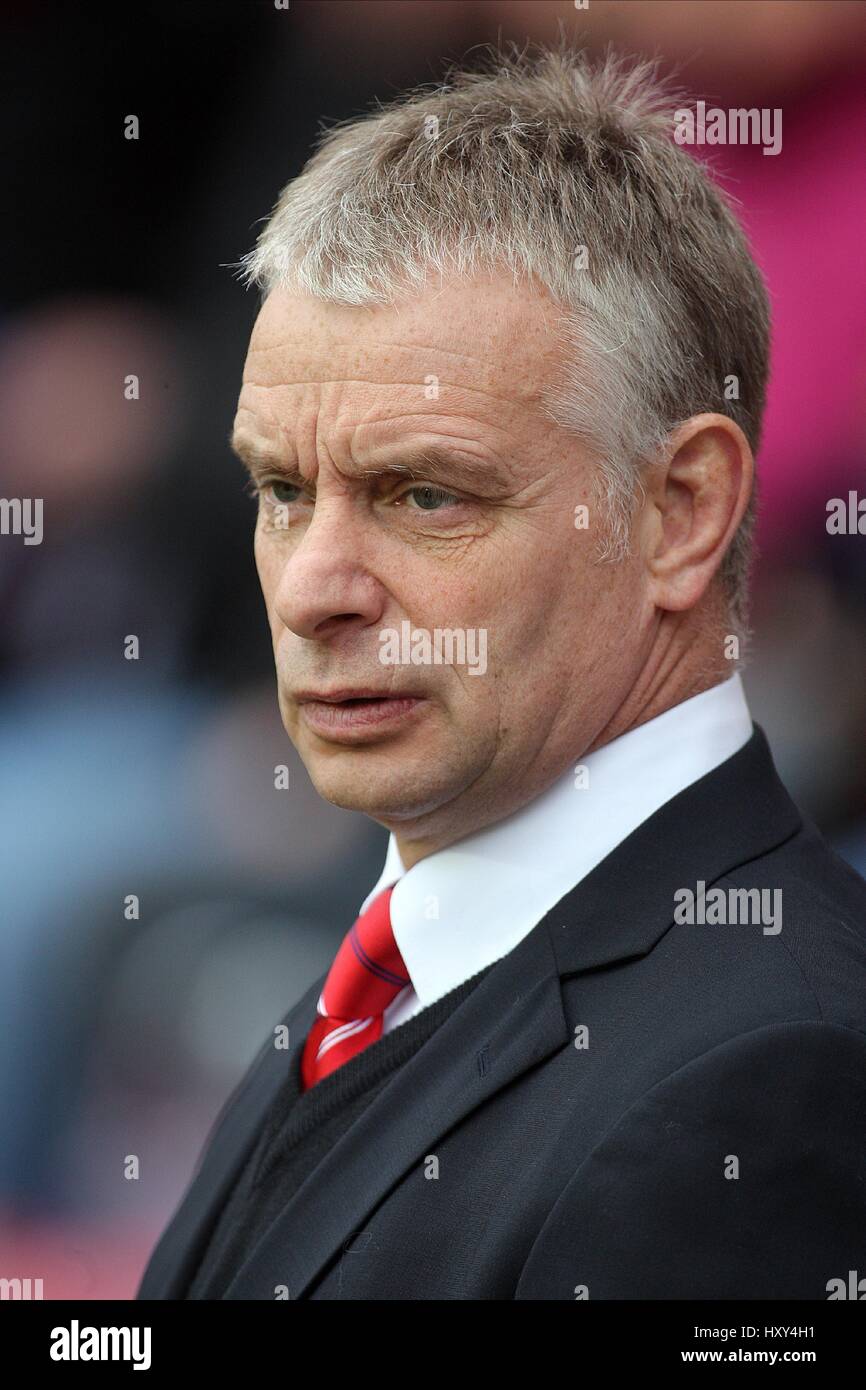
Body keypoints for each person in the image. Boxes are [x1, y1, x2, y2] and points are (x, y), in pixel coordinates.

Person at [137, 44, 866, 1300]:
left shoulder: (768, 1076)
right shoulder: (390, 965)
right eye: (280, 490)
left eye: (423, 494)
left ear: (680, 512)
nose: (313, 585)